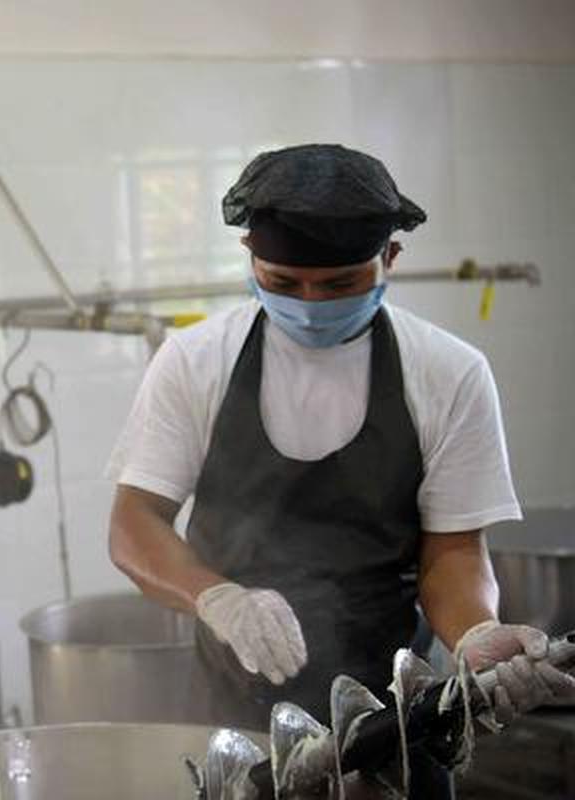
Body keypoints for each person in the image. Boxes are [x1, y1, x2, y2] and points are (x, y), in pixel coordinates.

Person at [106, 144, 575, 795]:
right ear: (248, 253)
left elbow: (453, 551)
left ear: (390, 259)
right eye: (281, 282)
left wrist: (475, 633)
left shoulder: (448, 373)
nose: (309, 303)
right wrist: (217, 598)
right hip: (233, 729)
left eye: (338, 285)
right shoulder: (194, 362)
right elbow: (134, 523)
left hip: (395, 733)